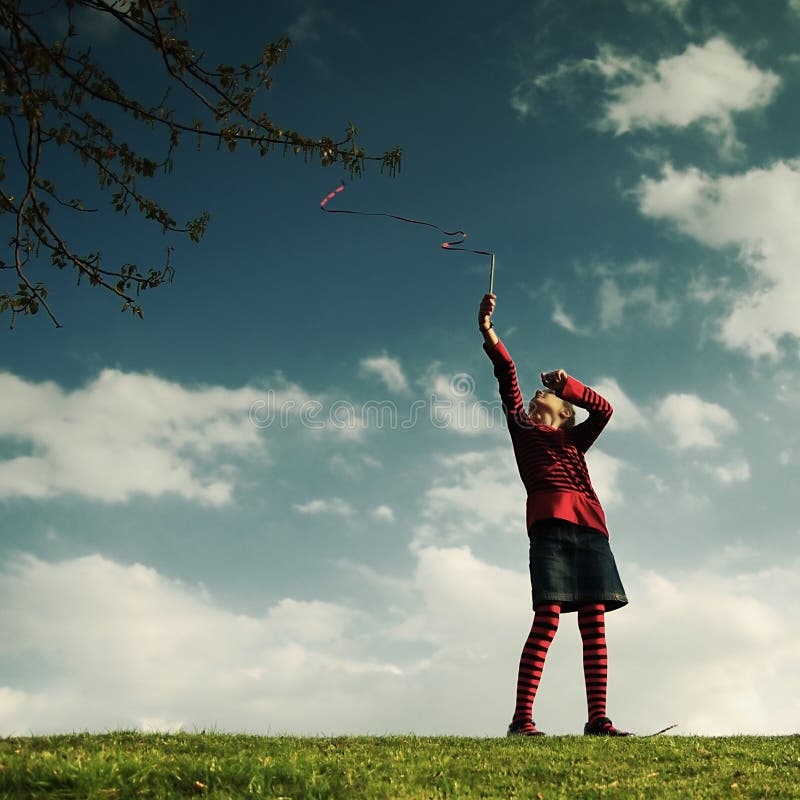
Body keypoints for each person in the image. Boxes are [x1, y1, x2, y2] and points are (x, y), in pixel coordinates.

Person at [478, 292, 630, 737]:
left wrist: (568, 385)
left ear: (564, 415)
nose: (534, 397)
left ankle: (598, 720)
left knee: (593, 625)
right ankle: (521, 720)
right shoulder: (523, 430)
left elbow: (603, 409)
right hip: (549, 532)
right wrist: (487, 330)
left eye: (545, 396)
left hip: (592, 533)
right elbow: (507, 374)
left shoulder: (573, 441)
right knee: (546, 618)